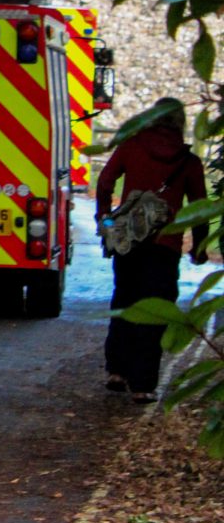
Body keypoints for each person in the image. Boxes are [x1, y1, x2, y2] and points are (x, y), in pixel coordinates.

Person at [95, 98, 208, 404]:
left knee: (124, 300)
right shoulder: (188, 162)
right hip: (164, 247)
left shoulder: (131, 146)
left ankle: (117, 371)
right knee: (154, 312)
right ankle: (143, 385)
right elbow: (199, 209)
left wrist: (105, 219)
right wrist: (199, 247)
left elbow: (104, 183)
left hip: (129, 243)